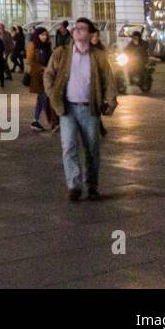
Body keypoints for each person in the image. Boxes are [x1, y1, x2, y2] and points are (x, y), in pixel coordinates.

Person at [44, 18, 118, 201]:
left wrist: (111, 101)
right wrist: (53, 95)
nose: (77, 30)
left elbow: (108, 80)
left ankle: (92, 185)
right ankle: (74, 185)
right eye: (76, 28)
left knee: (92, 149)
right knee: (68, 147)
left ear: (91, 34)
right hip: (67, 109)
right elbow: (48, 74)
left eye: (82, 28)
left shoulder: (99, 56)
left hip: (89, 108)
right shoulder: (61, 53)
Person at [27, 26, 52, 132]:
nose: (44, 37)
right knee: (43, 97)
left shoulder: (47, 46)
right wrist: (43, 68)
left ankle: (37, 121)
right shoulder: (32, 45)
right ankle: (49, 121)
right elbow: (30, 61)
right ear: (37, 35)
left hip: (47, 75)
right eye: (42, 35)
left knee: (42, 98)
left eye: (45, 35)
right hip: (38, 76)